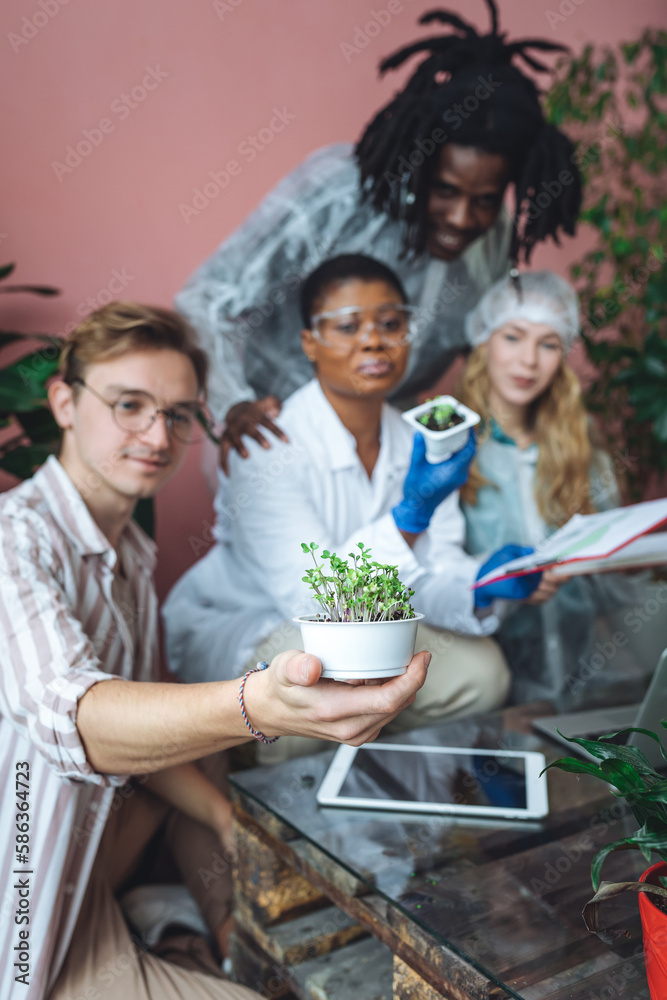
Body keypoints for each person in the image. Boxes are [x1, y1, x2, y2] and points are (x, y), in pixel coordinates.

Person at [0, 302, 430, 1000]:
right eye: (129, 405)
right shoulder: (13, 540)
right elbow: (77, 721)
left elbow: (150, 738)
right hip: (30, 907)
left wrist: (225, 820)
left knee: (196, 740)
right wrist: (259, 705)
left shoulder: (131, 552)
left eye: (177, 414)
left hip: (97, 866)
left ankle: (220, 934)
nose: (156, 435)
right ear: (64, 403)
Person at [164, 255, 553, 760]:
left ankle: (380, 781)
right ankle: (284, 796)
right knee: (313, 679)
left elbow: (432, 572)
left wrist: (479, 587)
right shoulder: (266, 447)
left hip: (366, 623)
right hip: (263, 623)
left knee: (481, 676)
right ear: (310, 343)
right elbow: (315, 600)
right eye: (348, 326)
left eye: (390, 324)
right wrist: (410, 516)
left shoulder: (420, 440)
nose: (373, 340)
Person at [176, 1, 582, 472]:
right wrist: (234, 404)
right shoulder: (339, 193)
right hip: (272, 433)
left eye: (485, 200)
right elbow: (204, 299)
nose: (461, 218)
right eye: (445, 190)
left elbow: (486, 348)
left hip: (385, 452)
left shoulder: (494, 237)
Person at [458, 270, 654, 702]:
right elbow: (432, 574)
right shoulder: (450, 446)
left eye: (547, 344)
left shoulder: (579, 443)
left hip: (584, 666)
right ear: (483, 341)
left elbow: (612, 576)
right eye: (513, 337)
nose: (528, 360)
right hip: (487, 683)